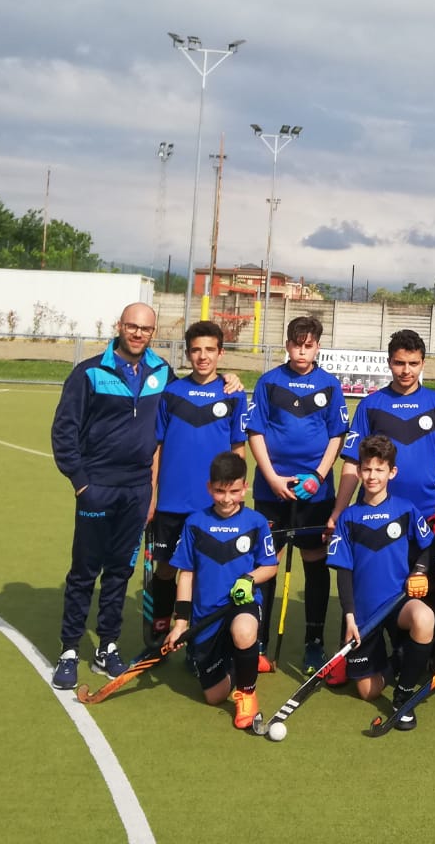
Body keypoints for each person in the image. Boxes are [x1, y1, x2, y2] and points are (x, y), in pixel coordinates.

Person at [50, 302, 172, 689]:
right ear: (119, 326)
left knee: (120, 571)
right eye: (132, 326)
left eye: (146, 329)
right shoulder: (89, 373)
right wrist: (81, 482)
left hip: (137, 490)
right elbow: (64, 431)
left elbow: (192, 395)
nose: (138, 334)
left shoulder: (162, 372)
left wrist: (230, 381)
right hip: (97, 487)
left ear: (154, 332)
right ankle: (69, 649)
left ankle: (107, 646)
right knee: (85, 571)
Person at [332, 329, 435, 659]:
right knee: (370, 578)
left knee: (430, 584)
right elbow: (352, 463)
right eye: (398, 363)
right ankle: (356, 652)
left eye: (413, 363)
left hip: (429, 513)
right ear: (389, 362)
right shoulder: (371, 405)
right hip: (378, 514)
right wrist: (338, 511)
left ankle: (428, 653)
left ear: (423, 363)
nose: (405, 370)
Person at [245, 315, 349, 675]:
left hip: (315, 491)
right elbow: (255, 431)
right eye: (296, 344)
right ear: (287, 344)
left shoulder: (330, 385)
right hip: (273, 489)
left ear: (317, 346)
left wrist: (319, 476)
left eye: (308, 345)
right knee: (267, 564)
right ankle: (257, 642)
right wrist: (273, 478)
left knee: (315, 562)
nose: (301, 352)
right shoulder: (268, 383)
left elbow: (337, 435)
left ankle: (314, 642)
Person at [146, 320, 249, 645]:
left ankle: (201, 635)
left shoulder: (233, 394)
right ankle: (160, 625)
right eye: (196, 350)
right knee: (165, 569)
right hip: (172, 502)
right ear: (188, 353)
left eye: (209, 350)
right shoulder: (171, 393)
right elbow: (157, 448)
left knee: (207, 572)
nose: (202, 356)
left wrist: (237, 496)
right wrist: (151, 496)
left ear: (220, 352)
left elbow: (238, 449)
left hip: (214, 505)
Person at [326, 434, 435, 728]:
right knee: (366, 690)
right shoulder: (348, 518)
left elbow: (427, 545)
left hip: (399, 603)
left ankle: (404, 695)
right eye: (366, 469)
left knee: (424, 617)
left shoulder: (406, 510)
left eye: (379, 469)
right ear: (359, 471)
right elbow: (343, 571)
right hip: (365, 614)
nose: (372, 476)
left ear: (392, 472)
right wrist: (349, 617)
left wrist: (419, 571)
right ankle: (400, 661)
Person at [165, 451, 279, 729]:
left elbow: (270, 566)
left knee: (243, 631)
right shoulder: (195, 523)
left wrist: (249, 579)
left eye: (234, 491)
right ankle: (244, 661)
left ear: (245, 487)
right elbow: (186, 574)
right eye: (219, 491)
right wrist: (180, 622)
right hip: (207, 615)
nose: (227, 499)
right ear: (209, 488)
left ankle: (248, 693)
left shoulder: (256, 522)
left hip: (242, 605)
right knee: (214, 696)